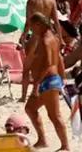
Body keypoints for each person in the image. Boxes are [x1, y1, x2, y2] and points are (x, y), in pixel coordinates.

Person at [24, 13, 69, 151]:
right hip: (52, 80)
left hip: (48, 81)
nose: (32, 30)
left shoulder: (45, 40)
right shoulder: (54, 38)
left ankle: (65, 146)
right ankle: (42, 140)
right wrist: (63, 78)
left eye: (32, 27)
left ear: (39, 24)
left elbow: (48, 64)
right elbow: (59, 59)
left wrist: (36, 85)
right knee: (30, 108)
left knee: (54, 115)